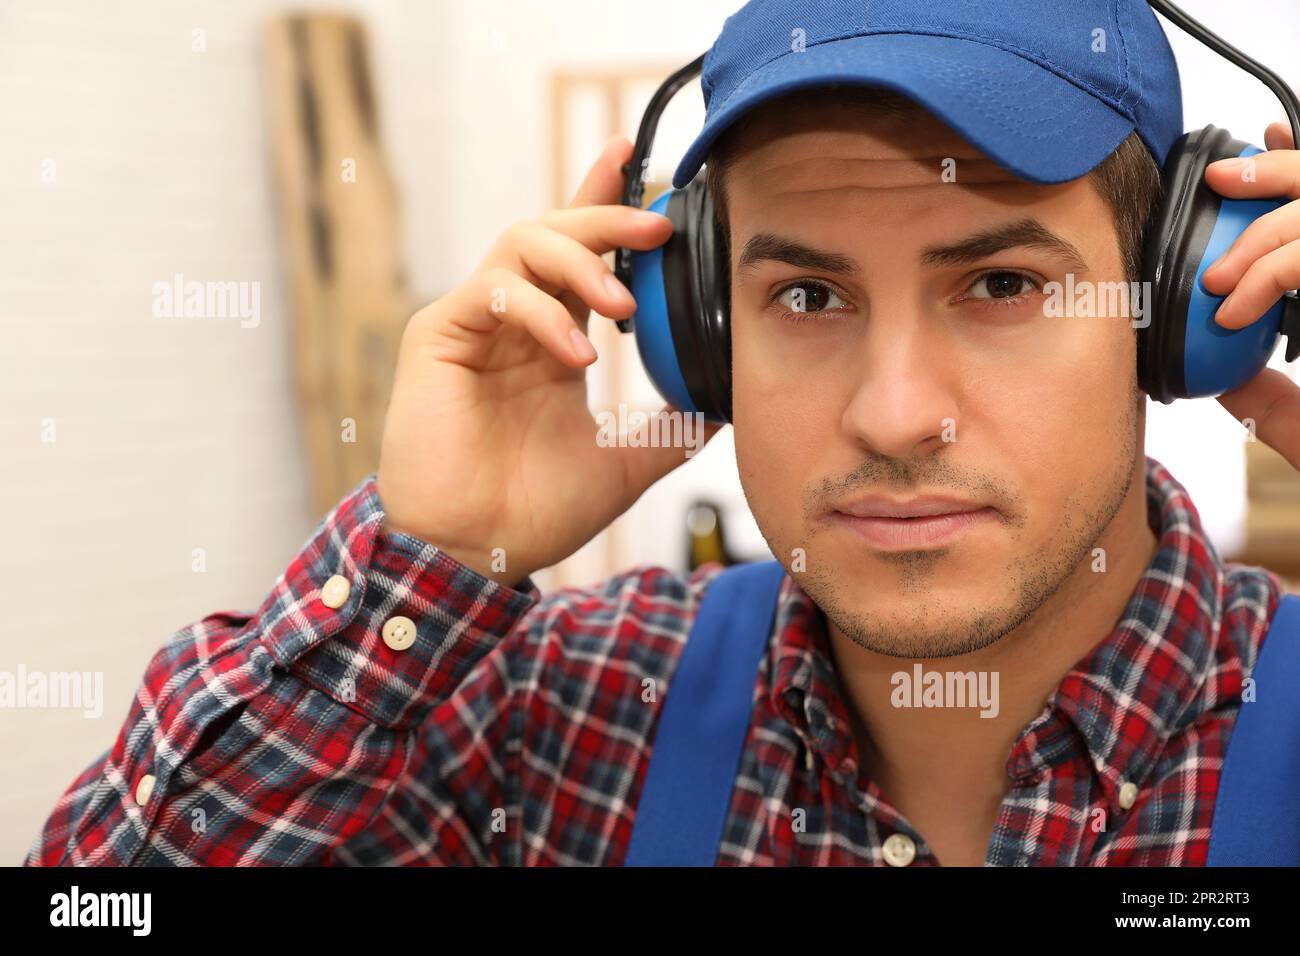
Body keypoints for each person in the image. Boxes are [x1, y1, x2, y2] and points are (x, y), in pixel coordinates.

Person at [26, 0, 1300, 866]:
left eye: (1001, 284)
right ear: (693, 329)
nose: (894, 412)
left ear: (1181, 313)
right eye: (808, 296)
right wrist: (424, 561)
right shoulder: (560, 712)